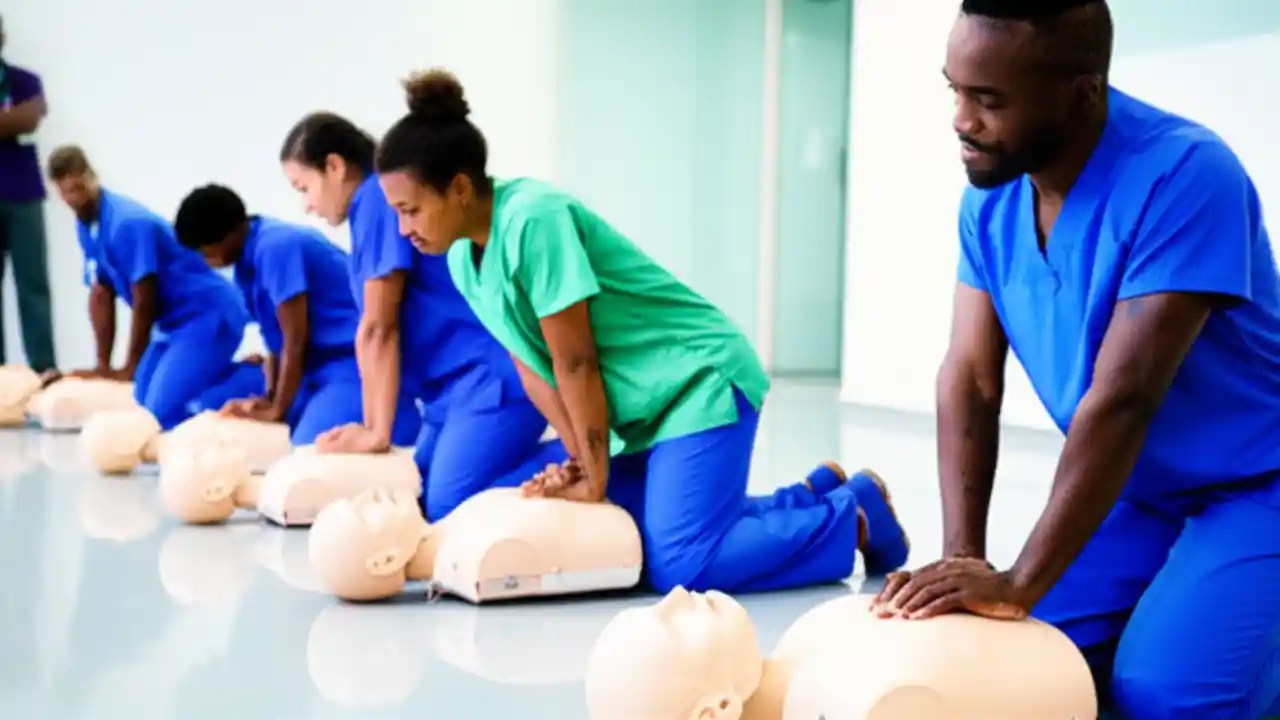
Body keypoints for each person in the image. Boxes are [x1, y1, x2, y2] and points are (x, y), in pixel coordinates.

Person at [872, 1, 1280, 717]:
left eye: (989, 100)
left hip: (1258, 485)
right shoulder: (993, 200)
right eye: (956, 92)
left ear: (1081, 92)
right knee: (1026, 660)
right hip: (1142, 490)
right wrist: (966, 561)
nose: (962, 120)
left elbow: (1124, 398)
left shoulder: (1186, 174)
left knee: (1163, 695)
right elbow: (969, 378)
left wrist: (1022, 578)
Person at [371, 69, 911, 594]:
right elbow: (531, 367)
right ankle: (815, 494)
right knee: (603, 513)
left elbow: (575, 361)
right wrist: (577, 464)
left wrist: (595, 477)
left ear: (460, 188)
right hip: (645, 407)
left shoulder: (533, 219)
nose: (404, 229)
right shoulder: (465, 257)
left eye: (410, 210)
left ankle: (853, 518)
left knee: (681, 564)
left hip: (699, 381)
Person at [277, 113, 561, 520]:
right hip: (447, 391)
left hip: (490, 378)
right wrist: (375, 430)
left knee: (449, 507)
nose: (306, 204)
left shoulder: (376, 198)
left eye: (304, 187)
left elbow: (379, 325)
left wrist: (376, 433)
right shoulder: (371, 210)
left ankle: (590, 456)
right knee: (422, 498)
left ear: (334, 167)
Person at [46, 146, 261, 430]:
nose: (74, 198)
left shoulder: (126, 223)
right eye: (66, 192)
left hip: (207, 315)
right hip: (172, 325)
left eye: (78, 188)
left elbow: (144, 297)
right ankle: (223, 372)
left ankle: (259, 377)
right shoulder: (88, 225)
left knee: (164, 414)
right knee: (142, 399)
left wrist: (130, 364)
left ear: (92, 177)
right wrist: (102, 366)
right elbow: (101, 293)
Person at [173, 184, 397, 444]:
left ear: (225, 237)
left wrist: (277, 409)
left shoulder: (274, 247)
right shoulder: (246, 263)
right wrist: (268, 398)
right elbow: (276, 341)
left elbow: (295, 338)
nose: (206, 261)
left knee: (306, 444)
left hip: (350, 360)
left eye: (206, 252)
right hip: (313, 364)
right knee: (211, 406)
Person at [0, 13, 55, 371]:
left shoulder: (24, 80)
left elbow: (29, 119)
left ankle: (43, 369)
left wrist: (20, 117)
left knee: (33, 285)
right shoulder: (25, 90)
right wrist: (14, 118)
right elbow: (21, 119)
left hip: (23, 194)